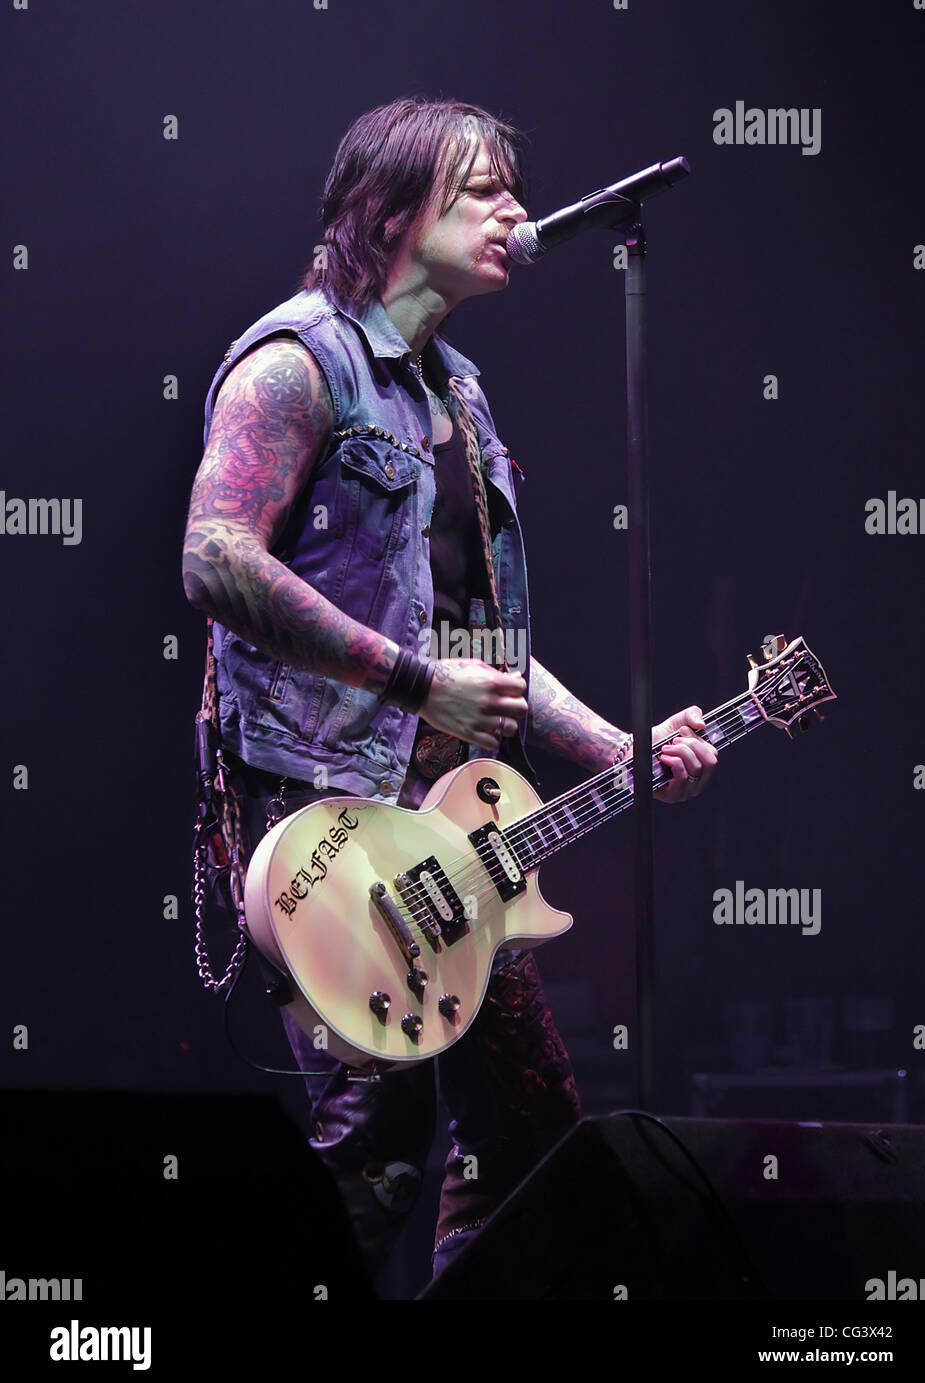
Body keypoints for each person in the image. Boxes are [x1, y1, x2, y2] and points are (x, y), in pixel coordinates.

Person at [181, 96, 717, 1284]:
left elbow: (494, 652)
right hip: (319, 815)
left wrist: (621, 748)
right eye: (480, 191)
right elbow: (216, 556)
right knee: (370, 1149)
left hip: (448, 844)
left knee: (524, 1142)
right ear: (386, 213)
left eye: (510, 191)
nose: (515, 212)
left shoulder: (458, 399)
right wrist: (417, 680)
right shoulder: (293, 363)